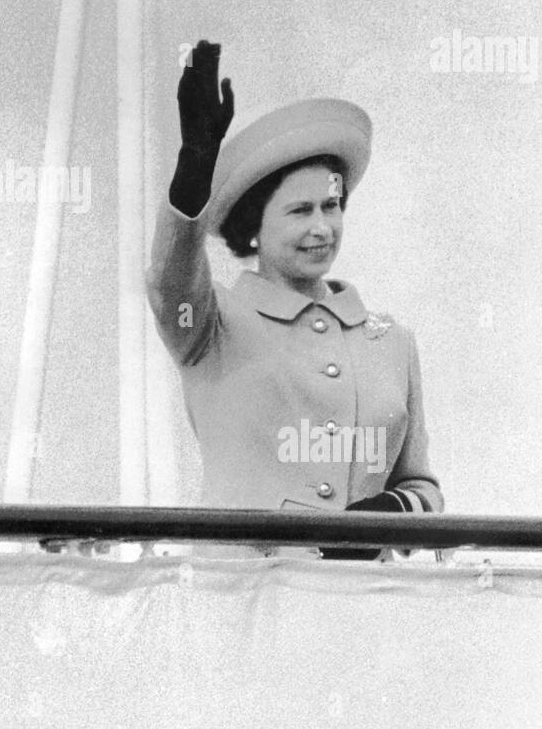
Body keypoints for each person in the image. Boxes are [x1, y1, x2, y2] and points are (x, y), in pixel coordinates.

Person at [147, 40, 442, 553]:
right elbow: (170, 280)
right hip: (244, 606)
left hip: (359, 608)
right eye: (300, 211)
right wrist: (194, 162)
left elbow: (422, 489)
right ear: (253, 228)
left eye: (332, 206)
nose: (322, 227)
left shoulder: (393, 342)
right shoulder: (210, 324)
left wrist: (388, 514)